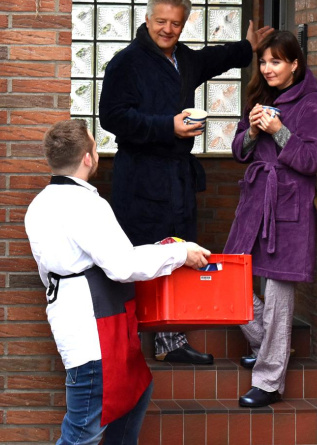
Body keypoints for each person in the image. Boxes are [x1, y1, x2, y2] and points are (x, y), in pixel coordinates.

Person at [99, 0, 273, 365]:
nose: (167, 29)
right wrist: (168, 127)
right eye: (161, 21)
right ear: (146, 20)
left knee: (179, 252)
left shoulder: (184, 59)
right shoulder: (125, 64)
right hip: (141, 176)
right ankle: (127, 342)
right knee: (140, 254)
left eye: (175, 23)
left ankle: (171, 342)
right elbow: (111, 117)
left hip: (177, 176)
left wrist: (248, 48)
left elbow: (215, 59)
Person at [25, 119, 211, 445]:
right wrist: (180, 254)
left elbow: (77, 264)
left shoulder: (39, 205)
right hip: (94, 332)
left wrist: (159, 250)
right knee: (81, 435)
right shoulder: (87, 205)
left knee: (137, 391)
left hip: (74, 319)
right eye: (95, 147)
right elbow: (122, 266)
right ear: (87, 157)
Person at [222, 31, 317, 408]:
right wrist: (252, 131)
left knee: (279, 296)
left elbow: (312, 160)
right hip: (255, 200)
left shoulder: (311, 104)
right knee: (230, 278)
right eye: (264, 62)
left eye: (276, 62)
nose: (268, 69)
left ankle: (268, 381)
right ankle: (266, 343)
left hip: (289, 206)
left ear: (294, 64)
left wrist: (279, 132)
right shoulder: (259, 97)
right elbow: (238, 150)